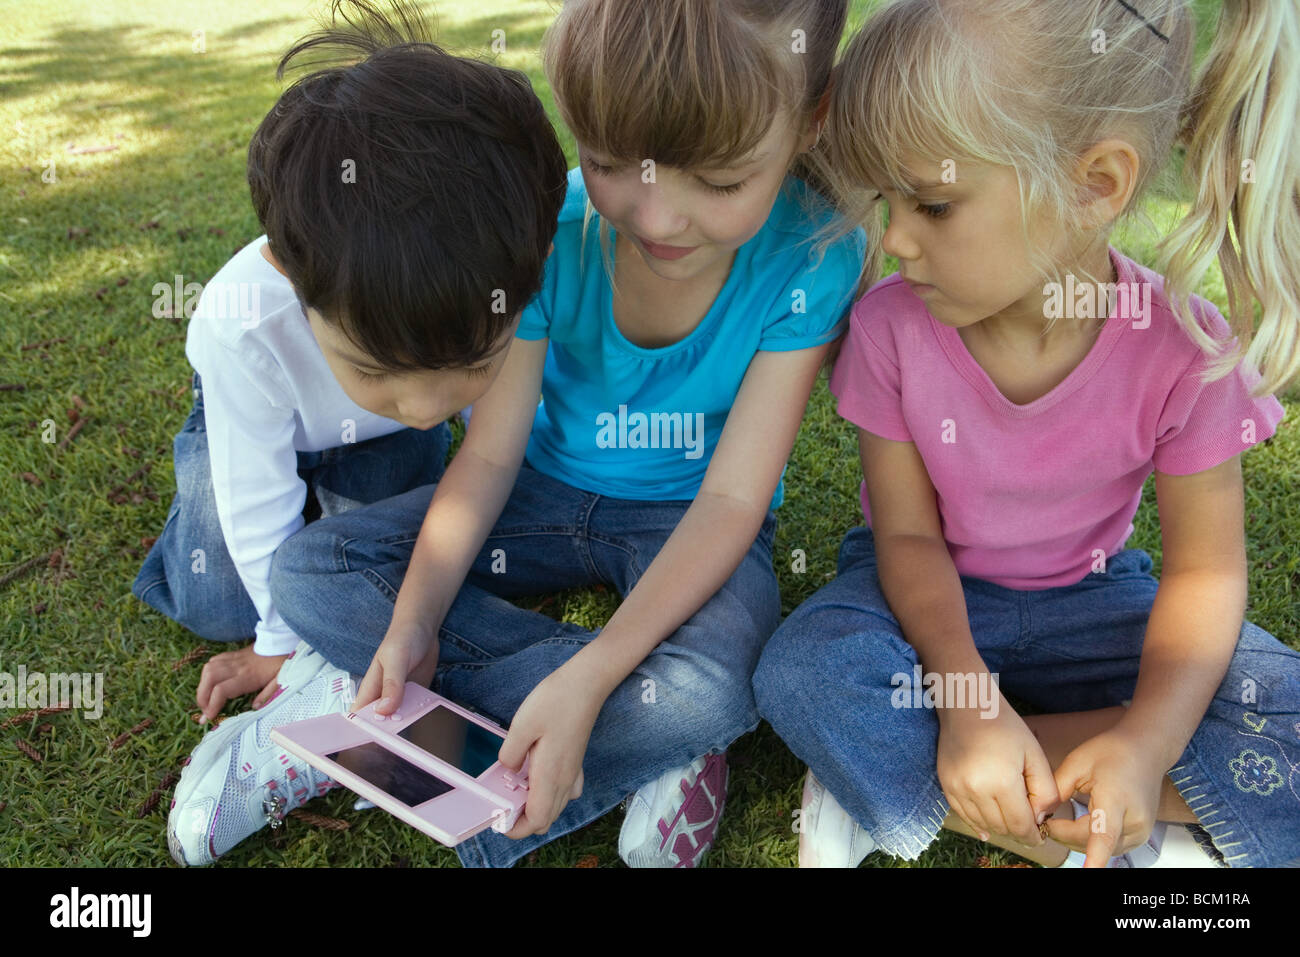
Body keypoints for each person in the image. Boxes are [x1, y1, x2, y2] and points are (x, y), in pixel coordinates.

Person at [253, 0, 868, 867]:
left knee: (721, 677)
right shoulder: (555, 227)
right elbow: (493, 453)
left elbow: (732, 501)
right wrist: (414, 620)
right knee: (313, 572)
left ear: (811, 120)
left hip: (687, 522)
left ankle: (520, 726)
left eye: (720, 183)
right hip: (538, 493)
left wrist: (596, 670)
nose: (656, 219)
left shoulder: (811, 257)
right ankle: (628, 737)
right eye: (614, 162)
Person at [755, 0, 1299, 868]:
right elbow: (903, 534)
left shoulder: (1186, 350)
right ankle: (1091, 834)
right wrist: (967, 698)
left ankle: (941, 777)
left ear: (1096, 185)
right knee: (807, 673)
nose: (893, 238)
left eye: (932, 204)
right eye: (885, 201)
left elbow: (1205, 573)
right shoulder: (893, 328)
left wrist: (1148, 744)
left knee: (1287, 706)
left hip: (1095, 601)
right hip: (921, 603)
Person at [157, 0, 568, 866]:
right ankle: (307, 655)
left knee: (385, 553)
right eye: (377, 369)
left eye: (464, 368)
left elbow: (485, 453)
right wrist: (276, 640)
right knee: (216, 599)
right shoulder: (241, 323)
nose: (424, 407)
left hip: (367, 451)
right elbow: (255, 483)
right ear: (292, 280)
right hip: (264, 429)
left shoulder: (495, 270)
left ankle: (337, 667)